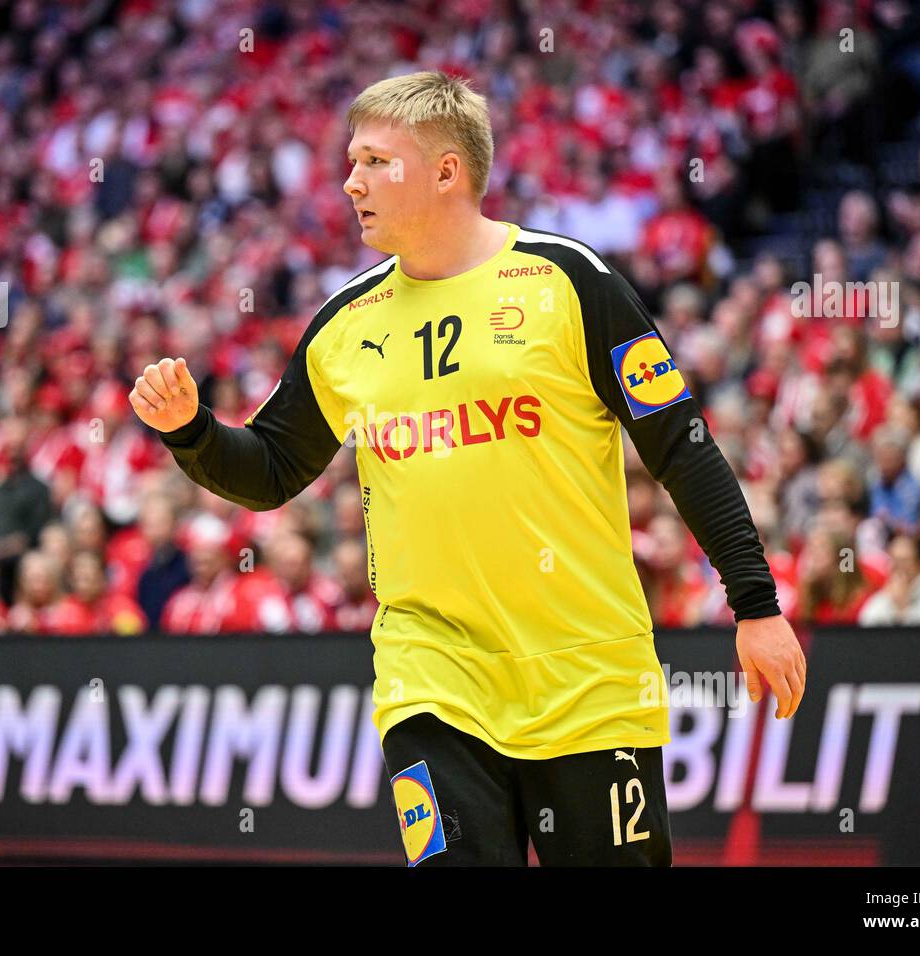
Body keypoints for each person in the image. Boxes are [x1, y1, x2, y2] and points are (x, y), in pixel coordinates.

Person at [129, 71, 805, 867]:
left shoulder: (568, 282)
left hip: (588, 677)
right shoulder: (345, 325)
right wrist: (193, 431)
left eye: (376, 162)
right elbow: (273, 469)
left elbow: (681, 446)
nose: (351, 181)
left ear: (448, 172)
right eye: (351, 162)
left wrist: (754, 604)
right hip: (432, 678)